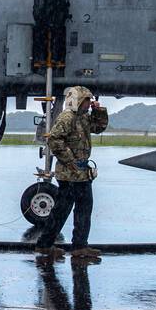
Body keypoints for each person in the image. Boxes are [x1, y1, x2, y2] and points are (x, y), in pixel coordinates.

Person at [35, 85, 108, 262]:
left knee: (80, 209)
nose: (89, 103)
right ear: (78, 101)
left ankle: (73, 246)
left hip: (81, 174)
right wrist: (70, 160)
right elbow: (54, 139)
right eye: (87, 100)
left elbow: (99, 128)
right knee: (66, 209)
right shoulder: (67, 117)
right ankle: (56, 245)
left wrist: (100, 112)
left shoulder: (83, 118)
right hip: (70, 174)